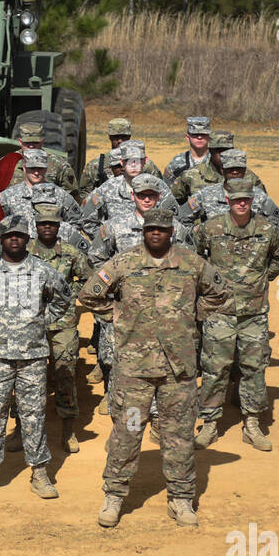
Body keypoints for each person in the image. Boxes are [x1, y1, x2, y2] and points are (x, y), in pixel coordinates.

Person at [79, 206, 229, 529]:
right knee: (127, 432)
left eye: (162, 229)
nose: (156, 233)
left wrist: (194, 313)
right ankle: (115, 495)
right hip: (135, 372)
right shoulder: (126, 262)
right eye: (150, 229)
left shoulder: (190, 263)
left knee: (178, 435)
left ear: (171, 231)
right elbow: (90, 293)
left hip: (178, 371)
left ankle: (181, 498)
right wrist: (117, 315)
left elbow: (221, 291)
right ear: (144, 232)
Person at [0, 214, 71, 501]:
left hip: (32, 357)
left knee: (33, 416)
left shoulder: (43, 271)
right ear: (2, 239)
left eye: (19, 235)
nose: (14, 239)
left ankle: (39, 472)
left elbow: (64, 298)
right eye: (9, 235)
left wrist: (44, 322)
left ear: (27, 239)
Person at [193, 175, 279, 451]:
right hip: (219, 312)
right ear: (228, 200)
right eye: (236, 200)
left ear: (252, 200)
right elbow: (196, 257)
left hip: (253, 313)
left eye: (246, 200)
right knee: (215, 369)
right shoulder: (210, 229)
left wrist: (264, 278)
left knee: (254, 368)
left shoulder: (267, 230)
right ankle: (210, 424)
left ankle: (251, 424)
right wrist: (208, 286)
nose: (241, 204)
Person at [88, 177, 192, 418]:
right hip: (125, 310)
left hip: (164, 312)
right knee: (116, 362)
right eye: (141, 195)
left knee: (162, 362)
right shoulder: (114, 227)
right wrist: (117, 285)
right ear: (132, 196)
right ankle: (121, 421)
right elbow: (95, 258)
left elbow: (190, 262)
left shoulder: (176, 229)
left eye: (152, 195)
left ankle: (156, 420)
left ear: (159, 197)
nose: (147, 199)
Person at [30, 202, 94, 453]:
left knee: (65, 372)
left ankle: (68, 430)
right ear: (36, 226)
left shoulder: (70, 253)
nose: (48, 227)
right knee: (26, 377)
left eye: (52, 224)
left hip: (62, 323)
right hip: (30, 323)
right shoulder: (24, 252)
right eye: (43, 223)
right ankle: (21, 429)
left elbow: (88, 280)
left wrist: (68, 294)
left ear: (59, 226)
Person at [178, 148, 279, 232]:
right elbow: (181, 218)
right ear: (222, 170)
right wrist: (200, 234)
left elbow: (276, 221)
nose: (235, 172)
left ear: (245, 170)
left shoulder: (259, 196)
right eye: (230, 169)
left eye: (239, 168)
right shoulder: (206, 195)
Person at [81, 140, 179, 228]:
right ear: (121, 162)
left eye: (137, 160)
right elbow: (85, 218)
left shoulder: (159, 187)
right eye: (128, 160)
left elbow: (177, 219)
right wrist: (107, 240)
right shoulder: (108, 188)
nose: (133, 164)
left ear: (145, 161)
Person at [0, 148, 92, 236]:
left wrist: (62, 237)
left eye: (40, 168)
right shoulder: (8, 196)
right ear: (24, 168)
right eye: (32, 168)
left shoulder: (61, 196)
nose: (36, 172)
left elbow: (77, 222)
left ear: (46, 168)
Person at [10, 121, 78, 194]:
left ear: (42, 142)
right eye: (27, 143)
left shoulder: (59, 165)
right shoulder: (7, 163)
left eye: (35, 142)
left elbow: (72, 196)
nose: (31, 146)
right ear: (20, 142)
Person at [164, 116, 212, 186]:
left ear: (209, 137)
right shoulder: (177, 163)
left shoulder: (217, 161)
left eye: (203, 134)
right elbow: (165, 188)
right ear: (187, 137)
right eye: (195, 134)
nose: (199, 137)